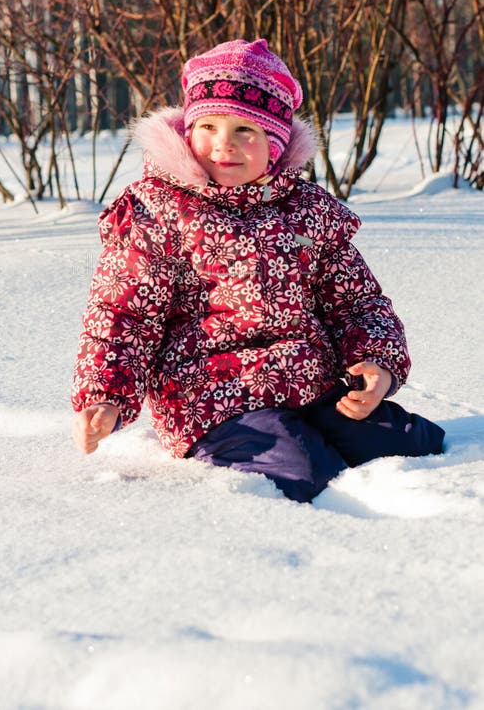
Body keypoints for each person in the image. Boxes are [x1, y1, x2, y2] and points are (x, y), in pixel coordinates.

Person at [72, 39, 444, 502]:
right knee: (305, 471)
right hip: (211, 393)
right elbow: (123, 314)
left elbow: (357, 300)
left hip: (309, 380)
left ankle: (323, 430)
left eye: (245, 130)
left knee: (411, 441)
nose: (223, 144)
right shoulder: (158, 211)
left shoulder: (308, 211)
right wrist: (105, 395)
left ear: (277, 142)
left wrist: (377, 364)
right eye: (208, 125)